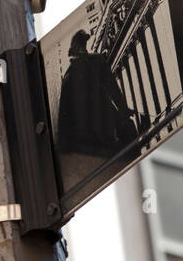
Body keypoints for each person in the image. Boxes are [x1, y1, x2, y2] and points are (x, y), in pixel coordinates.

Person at [55, 29, 139, 162]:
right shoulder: (95, 61)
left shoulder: (69, 76)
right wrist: (123, 109)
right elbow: (113, 89)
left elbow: (64, 116)